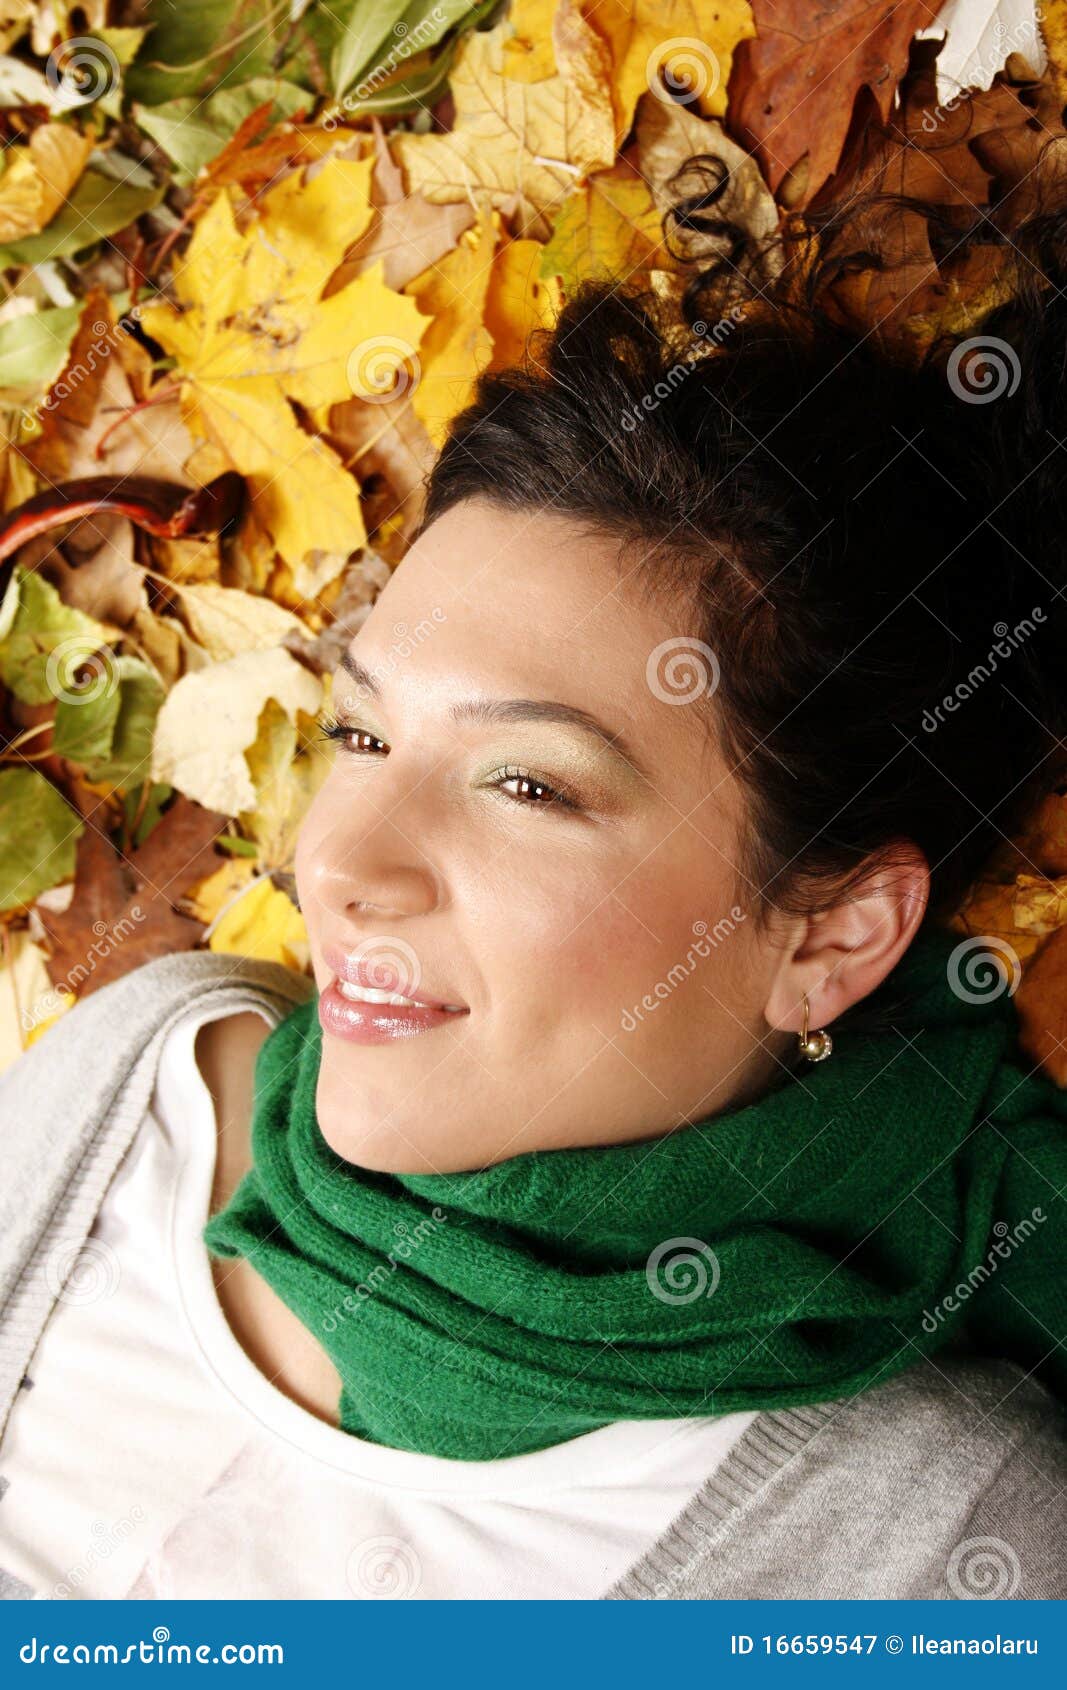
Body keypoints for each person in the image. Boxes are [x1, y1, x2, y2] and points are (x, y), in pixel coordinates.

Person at [0, 178, 1065, 1602]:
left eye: (528, 785)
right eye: (364, 735)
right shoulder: (143, 1072)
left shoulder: (930, 1551)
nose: (338, 864)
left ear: (829, 934)